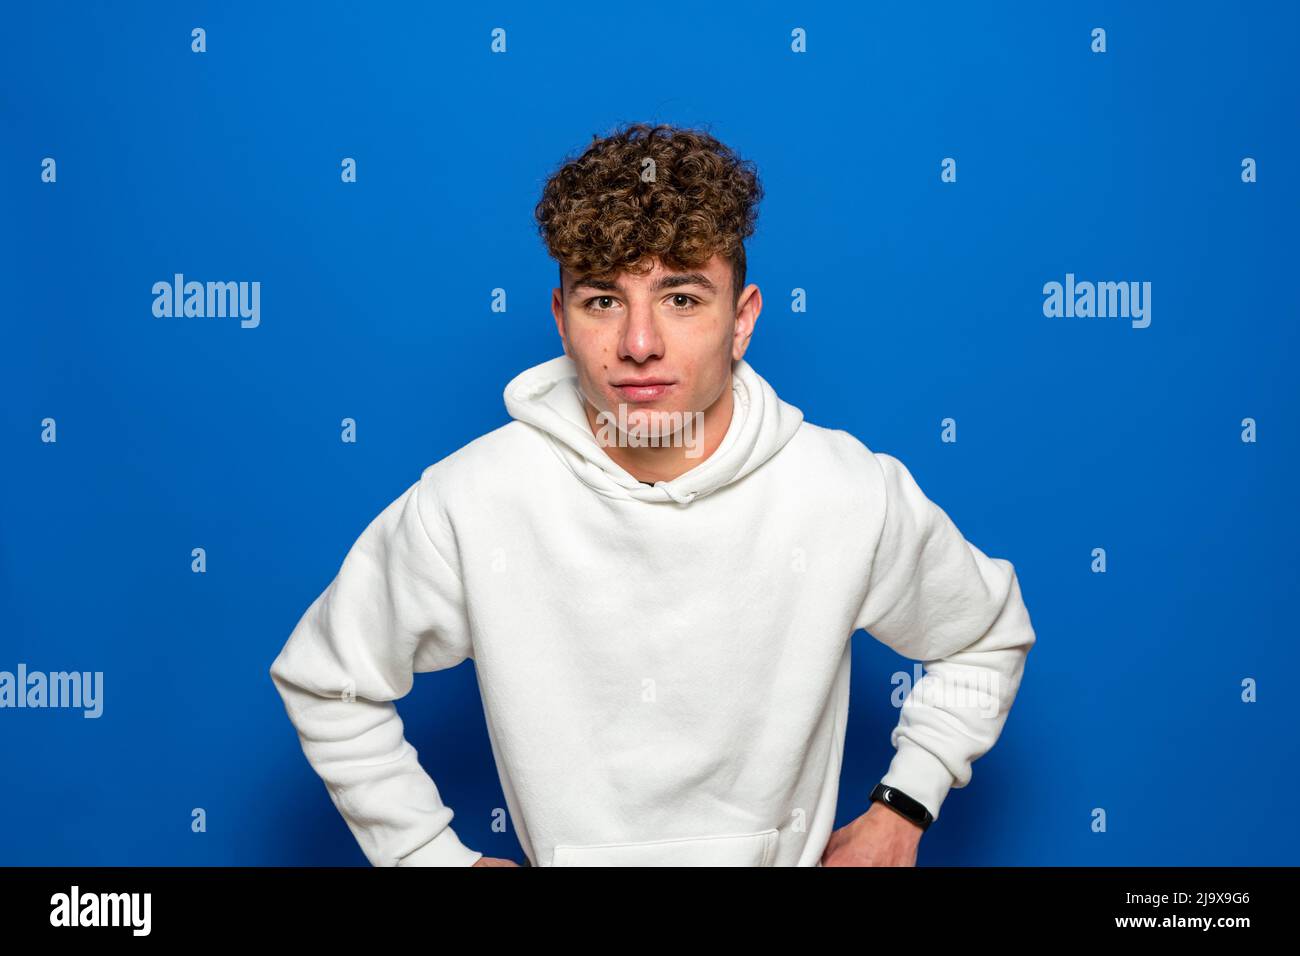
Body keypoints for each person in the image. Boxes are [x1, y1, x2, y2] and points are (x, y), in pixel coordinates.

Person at [268, 122, 1037, 867]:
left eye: (680, 298)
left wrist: (905, 806)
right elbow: (327, 680)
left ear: (741, 322)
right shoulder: (473, 500)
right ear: (561, 320)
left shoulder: (842, 490)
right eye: (603, 300)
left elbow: (985, 635)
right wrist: (428, 857)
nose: (639, 344)